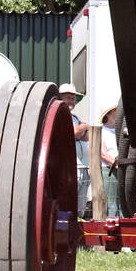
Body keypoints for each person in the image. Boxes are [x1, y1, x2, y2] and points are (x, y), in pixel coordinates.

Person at [59, 82, 89, 217]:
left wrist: (80, 130)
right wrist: (83, 127)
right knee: (68, 202)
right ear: (60, 98)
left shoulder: (75, 118)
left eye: (72, 98)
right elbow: (75, 133)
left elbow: (87, 137)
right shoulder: (59, 115)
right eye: (67, 97)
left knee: (80, 206)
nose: (71, 100)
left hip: (82, 167)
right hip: (70, 168)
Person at [100, 105, 120, 217]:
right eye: (115, 111)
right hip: (109, 170)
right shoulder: (101, 131)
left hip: (120, 170)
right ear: (108, 114)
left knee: (122, 201)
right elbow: (103, 153)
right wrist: (117, 164)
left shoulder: (120, 132)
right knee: (112, 202)